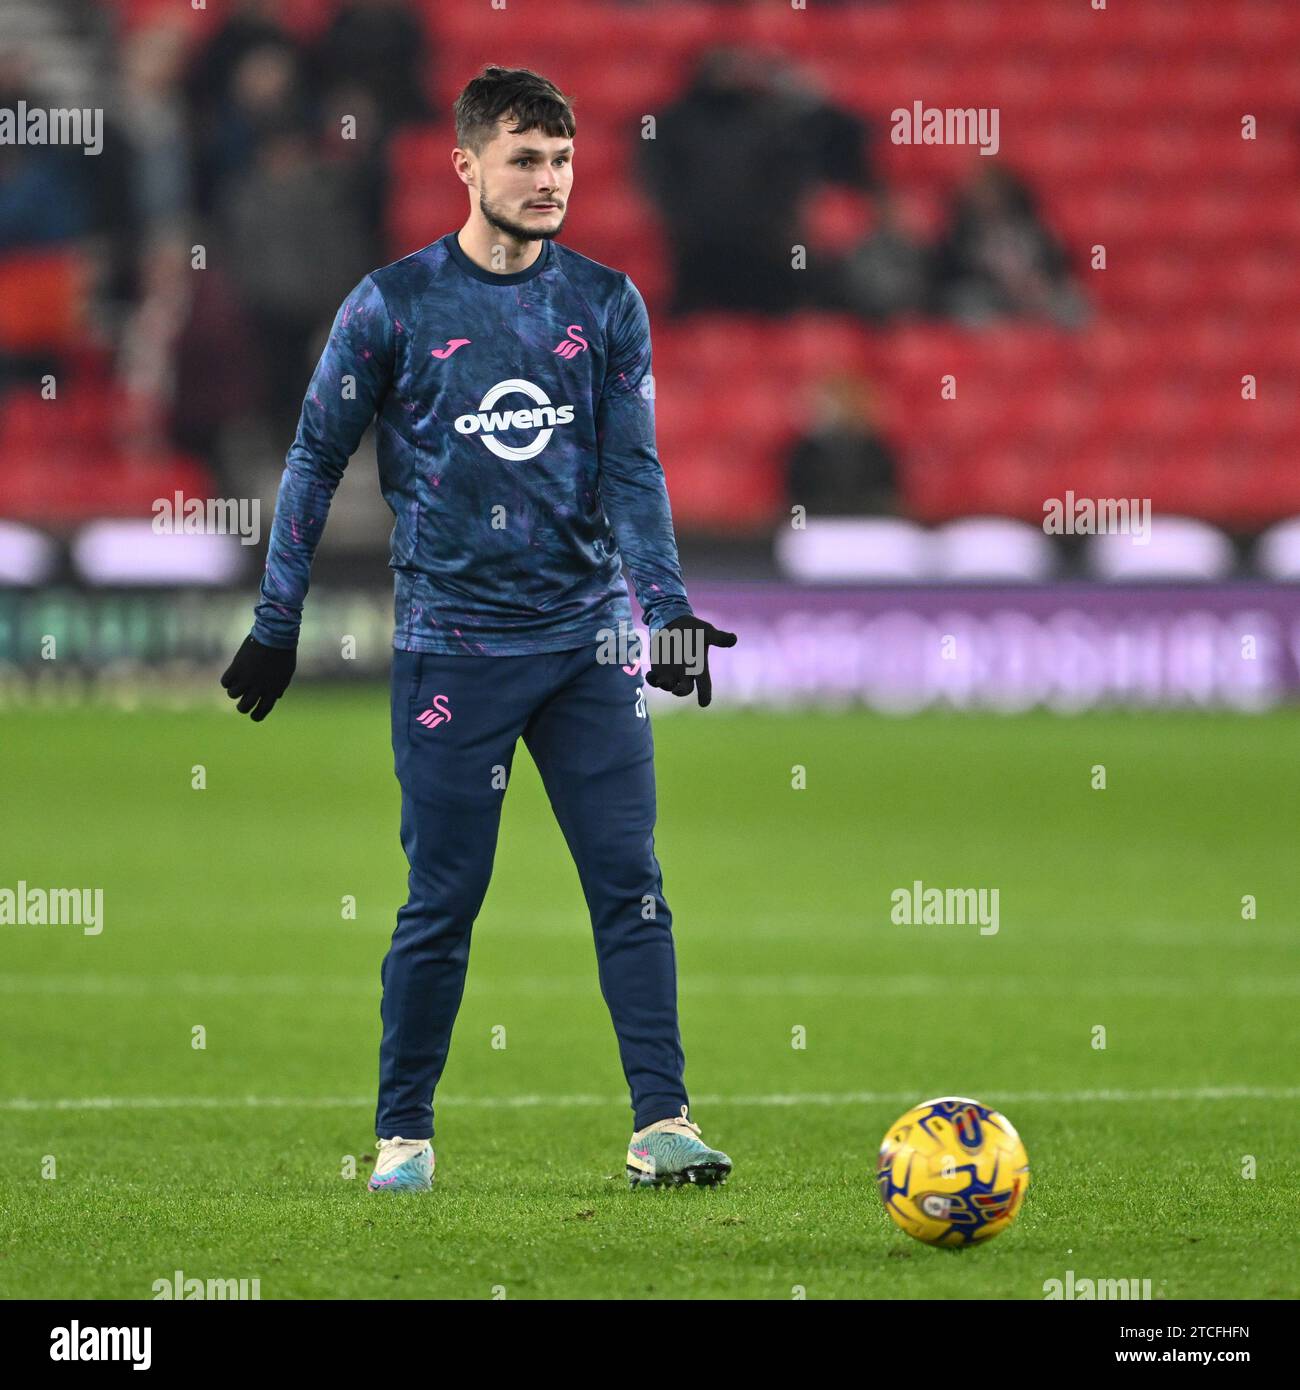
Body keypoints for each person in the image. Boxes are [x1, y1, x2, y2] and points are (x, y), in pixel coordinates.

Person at [219, 66, 737, 1194]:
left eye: (560, 161)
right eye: (523, 159)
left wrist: (667, 612)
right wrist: (277, 621)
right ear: (465, 166)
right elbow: (314, 458)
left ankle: (663, 1123)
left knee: (632, 884)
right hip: (454, 648)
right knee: (442, 900)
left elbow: (633, 469)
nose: (549, 181)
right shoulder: (391, 304)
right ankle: (403, 1136)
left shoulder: (606, 303)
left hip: (587, 644)